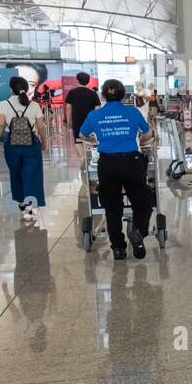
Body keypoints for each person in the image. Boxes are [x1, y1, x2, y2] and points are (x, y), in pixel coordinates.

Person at [79, 79, 154, 260]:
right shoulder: (133, 112)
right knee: (143, 200)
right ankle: (137, 232)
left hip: (107, 163)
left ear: (103, 95)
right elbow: (148, 133)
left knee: (112, 207)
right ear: (124, 95)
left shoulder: (95, 115)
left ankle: (118, 248)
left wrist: (98, 143)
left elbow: (82, 135)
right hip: (131, 161)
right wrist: (139, 142)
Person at [0, 76, 47, 218]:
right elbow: (41, 127)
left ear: (11, 89)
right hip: (31, 144)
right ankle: (30, 209)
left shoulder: (4, 104)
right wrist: (44, 141)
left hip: (11, 144)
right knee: (32, 175)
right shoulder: (34, 105)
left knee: (16, 174)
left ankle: (22, 204)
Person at [65, 71, 99, 143]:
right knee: (90, 141)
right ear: (88, 81)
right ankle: (88, 154)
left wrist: (68, 121)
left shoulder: (72, 92)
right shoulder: (93, 93)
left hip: (76, 121)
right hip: (90, 122)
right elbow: (97, 109)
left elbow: (68, 108)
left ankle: (82, 155)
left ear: (77, 80)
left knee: (78, 141)